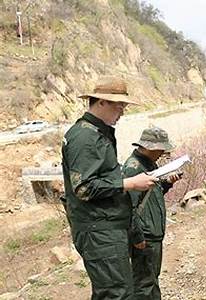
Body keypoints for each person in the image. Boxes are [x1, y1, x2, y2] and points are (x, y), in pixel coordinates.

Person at [61, 77, 158, 300]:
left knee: (113, 292)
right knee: (116, 294)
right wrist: (130, 183)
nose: (122, 112)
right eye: (119, 105)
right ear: (101, 102)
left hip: (107, 226)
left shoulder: (98, 133)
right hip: (98, 230)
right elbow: (83, 188)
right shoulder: (85, 137)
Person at [122, 126, 181, 299]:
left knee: (151, 278)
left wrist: (167, 183)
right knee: (144, 284)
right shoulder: (133, 168)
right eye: (160, 149)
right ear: (149, 147)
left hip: (152, 233)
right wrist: (137, 236)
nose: (163, 152)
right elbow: (128, 207)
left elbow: (148, 195)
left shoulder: (148, 164)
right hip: (144, 235)